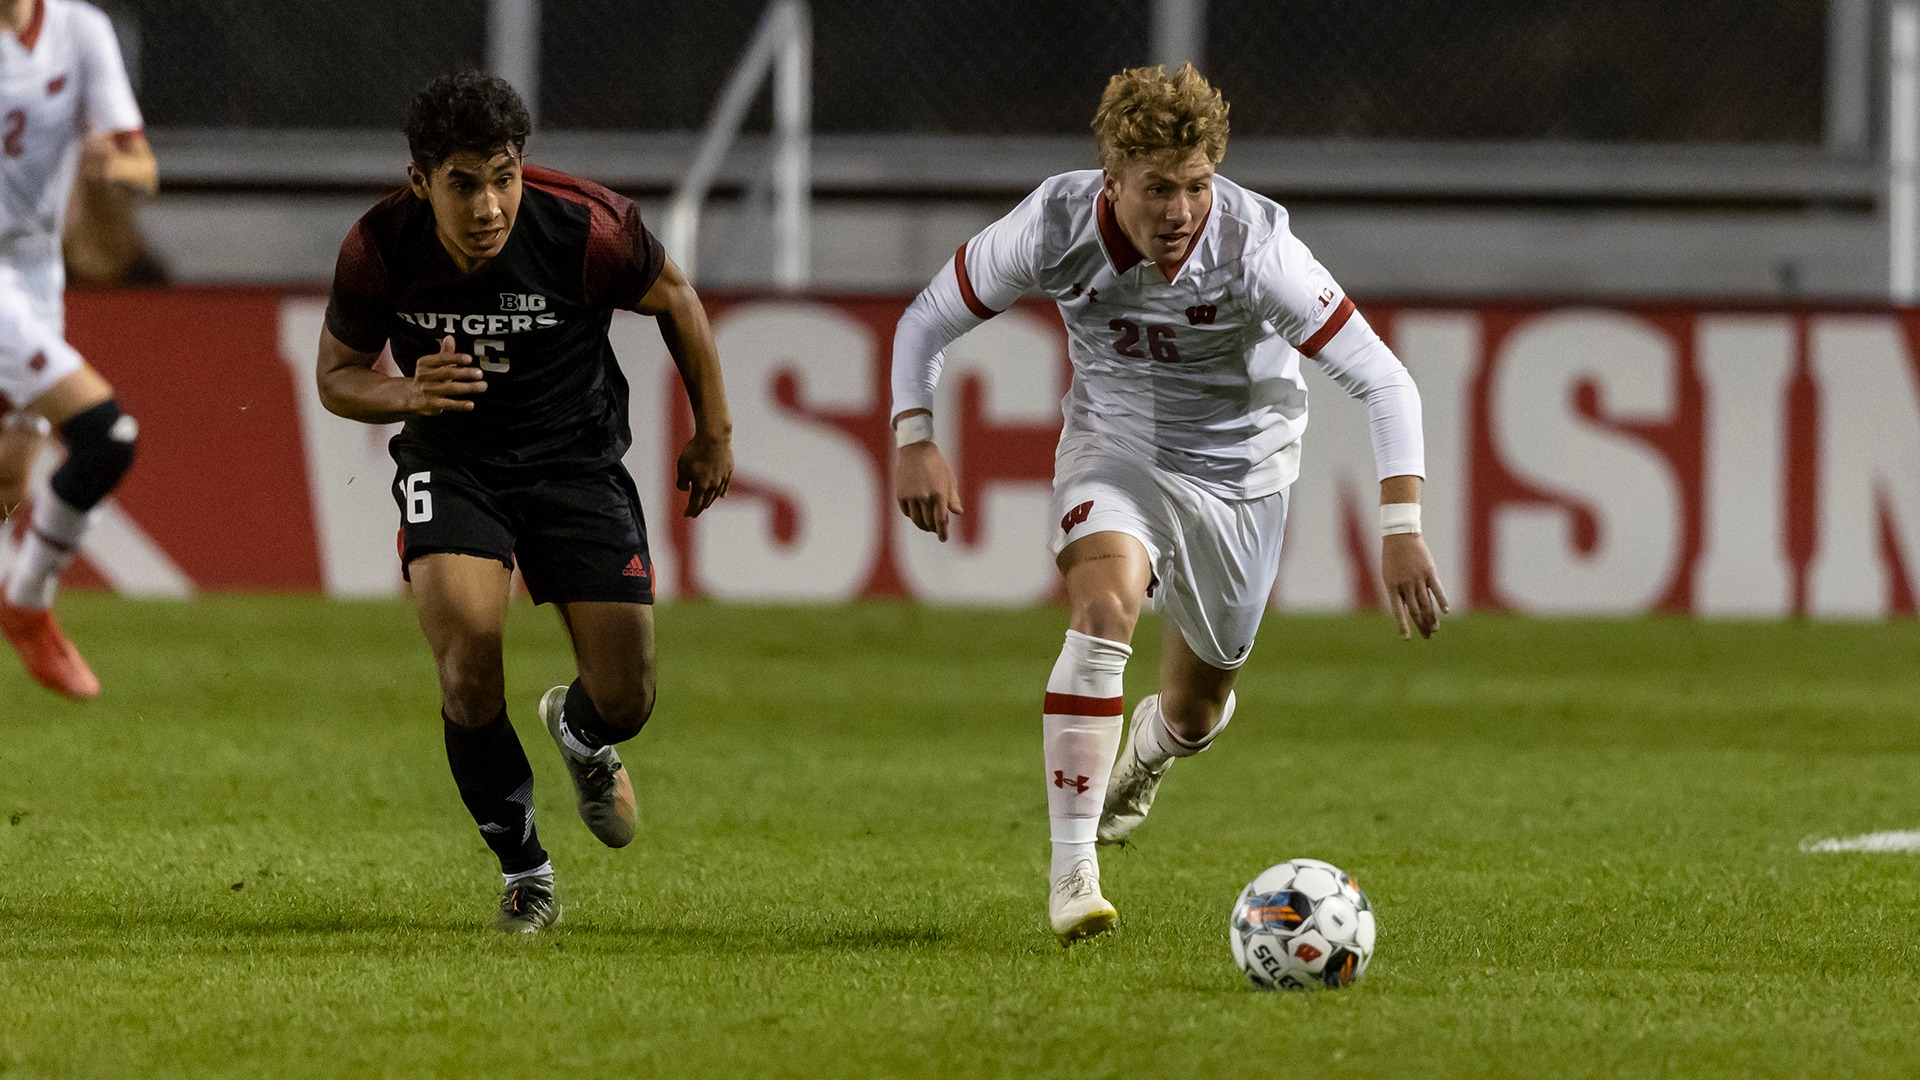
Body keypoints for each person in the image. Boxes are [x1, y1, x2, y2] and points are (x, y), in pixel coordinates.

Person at [890, 64, 1448, 944]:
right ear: (1112, 180)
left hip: (1243, 478)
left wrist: (1401, 528)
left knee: (1196, 711)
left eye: (1197, 185)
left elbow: (1385, 381)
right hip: (1113, 453)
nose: (1182, 210)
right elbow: (929, 316)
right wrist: (915, 434)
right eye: (1158, 189)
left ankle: (1146, 753)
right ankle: (1073, 867)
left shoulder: (1258, 249)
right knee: (1102, 607)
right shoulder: (1052, 224)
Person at [317, 72, 733, 933]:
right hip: (455, 462)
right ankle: (525, 870)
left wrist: (714, 431)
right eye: (463, 183)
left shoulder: (587, 225)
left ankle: (581, 732)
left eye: (503, 176)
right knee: (468, 657)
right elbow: (336, 377)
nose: (488, 205)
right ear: (420, 178)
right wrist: (405, 395)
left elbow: (678, 299)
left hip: (575, 465)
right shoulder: (380, 247)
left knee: (627, 698)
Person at [0, 0, 154, 700]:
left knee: (8, 483)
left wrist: (110, 166)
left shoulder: (80, 32)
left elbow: (143, 167)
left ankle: (26, 605)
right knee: (106, 435)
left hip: (36, 276)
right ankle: (28, 606)